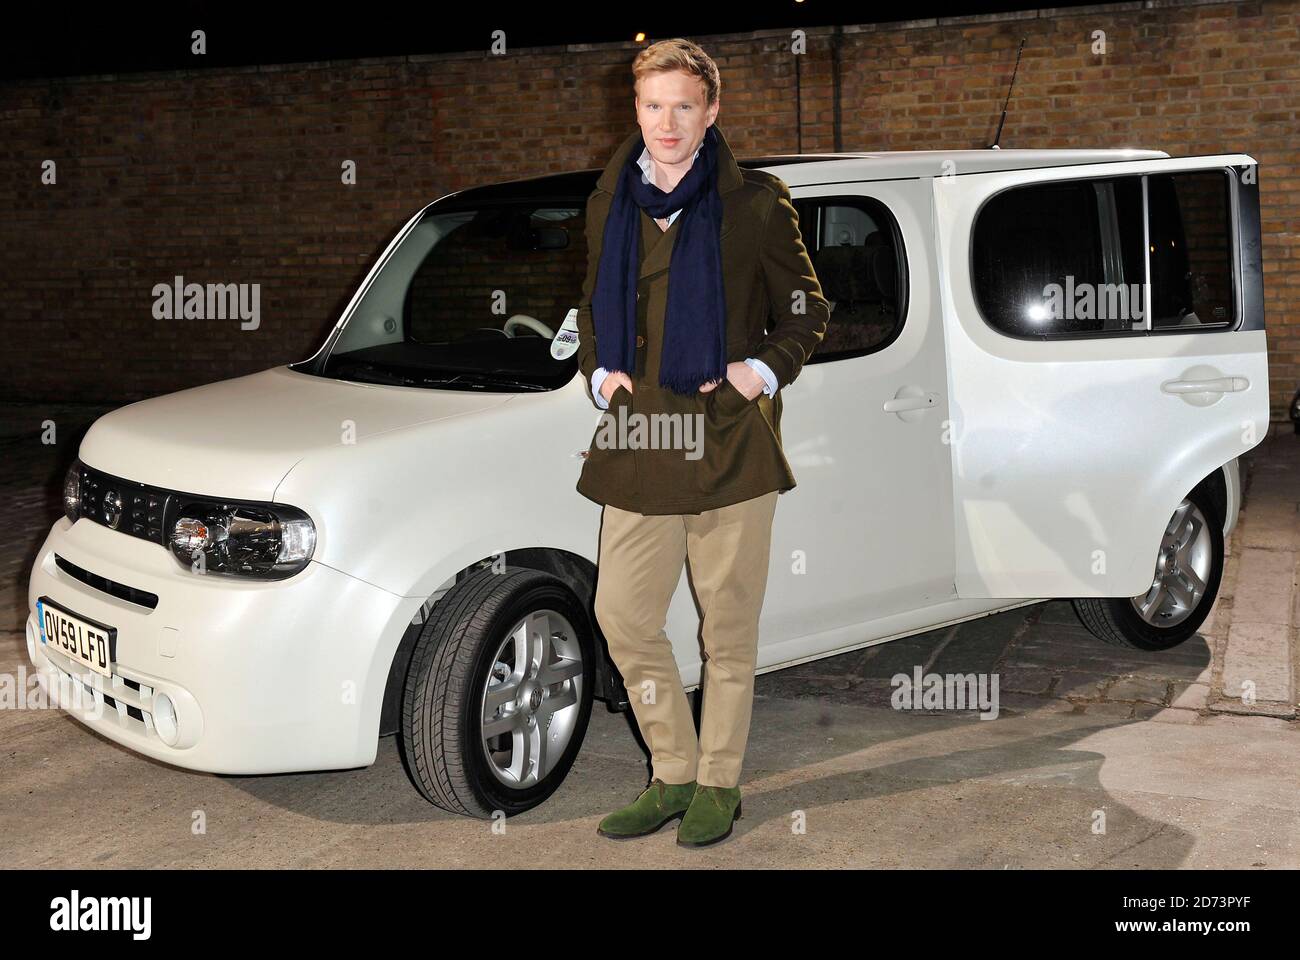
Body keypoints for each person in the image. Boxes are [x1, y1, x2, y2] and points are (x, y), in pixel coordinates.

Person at [574, 37, 829, 847]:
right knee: (622, 617)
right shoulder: (610, 200)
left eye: (685, 105)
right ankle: (672, 771)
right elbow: (591, 304)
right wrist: (599, 374)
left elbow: (807, 309)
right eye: (653, 105)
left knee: (727, 628)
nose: (668, 121)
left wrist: (762, 371)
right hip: (641, 435)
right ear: (636, 109)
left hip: (727, 442)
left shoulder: (755, 202)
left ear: (711, 111)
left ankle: (717, 781)